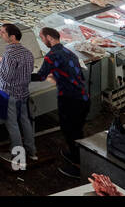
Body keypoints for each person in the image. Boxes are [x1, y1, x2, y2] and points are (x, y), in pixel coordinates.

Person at [33, 27, 89, 178]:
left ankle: (79, 167)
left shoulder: (51, 56)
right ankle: (76, 155)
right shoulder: (70, 53)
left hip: (70, 100)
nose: (42, 41)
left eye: (42, 38)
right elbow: (79, 75)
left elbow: (40, 76)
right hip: (83, 97)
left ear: (49, 38)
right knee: (77, 130)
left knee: (70, 131)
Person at [0, 22, 36, 172]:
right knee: (25, 121)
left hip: (9, 94)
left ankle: (18, 159)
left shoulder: (9, 54)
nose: (1, 35)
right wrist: (3, 63)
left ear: (12, 37)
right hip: (23, 93)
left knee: (12, 124)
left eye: (3, 33)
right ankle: (32, 152)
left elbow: (5, 77)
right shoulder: (27, 52)